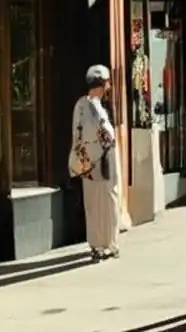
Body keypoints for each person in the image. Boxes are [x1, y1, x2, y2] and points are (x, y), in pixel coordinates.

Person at [69, 64, 120, 261]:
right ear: (102, 84)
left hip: (86, 161)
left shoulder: (80, 104)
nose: (108, 86)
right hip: (102, 160)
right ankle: (108, 244)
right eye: (107, 83)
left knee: (91, 203)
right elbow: (107, 134)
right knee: (107, 202)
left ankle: (96, 244)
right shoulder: (95, 106)